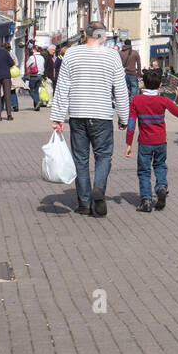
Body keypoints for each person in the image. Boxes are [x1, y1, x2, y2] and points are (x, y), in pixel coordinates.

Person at [50, 20, 129, 217]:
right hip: (102, 115)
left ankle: (84, 203)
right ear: (103, 36)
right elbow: (120, 89)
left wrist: (58, 116)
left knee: (80, 158)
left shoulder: (72, 54)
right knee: (103, 156)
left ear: (86, 34)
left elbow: (62, 87)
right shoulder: (112, 56)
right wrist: (124, 117)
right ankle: (99, 189)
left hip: (77, 114)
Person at [125, 68, 178, 212]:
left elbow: (132, 123)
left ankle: (146, 200)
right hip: (160, 142)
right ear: (160, 85)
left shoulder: (136, 100)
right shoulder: (163, 100)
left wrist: (129, 143)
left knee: (144, 171)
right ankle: (161, 187)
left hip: (144, 142)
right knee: (160, 166)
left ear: (143, 84)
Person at [24, 43, 46, 111]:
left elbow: (27, 65)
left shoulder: (32, 57)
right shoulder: (42, 57)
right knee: (36, 91)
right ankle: (36, 107)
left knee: (30, 90)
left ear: (33, 50)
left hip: (34, 76)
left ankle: (37, 101)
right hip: (40, 76)